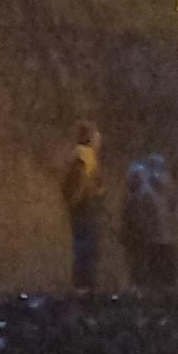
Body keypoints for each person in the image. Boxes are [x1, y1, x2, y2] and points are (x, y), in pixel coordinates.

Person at [120, 152, 178, 290]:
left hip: (162, 239)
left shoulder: (162, 191)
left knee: (163, 277)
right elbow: (144, 217)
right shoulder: (146, 193)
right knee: (153, 276)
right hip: (154, 240)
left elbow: (171, 210)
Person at [61, 124, 105, 294]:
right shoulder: (85, 156)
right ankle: (85, 286)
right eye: (97, 138)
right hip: (85, 207)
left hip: (81, 207)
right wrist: (88, 194)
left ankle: (83, 284)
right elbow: (81, 180)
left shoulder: (76, 154)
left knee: (83, 245)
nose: (99, 143)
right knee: (87, 247)